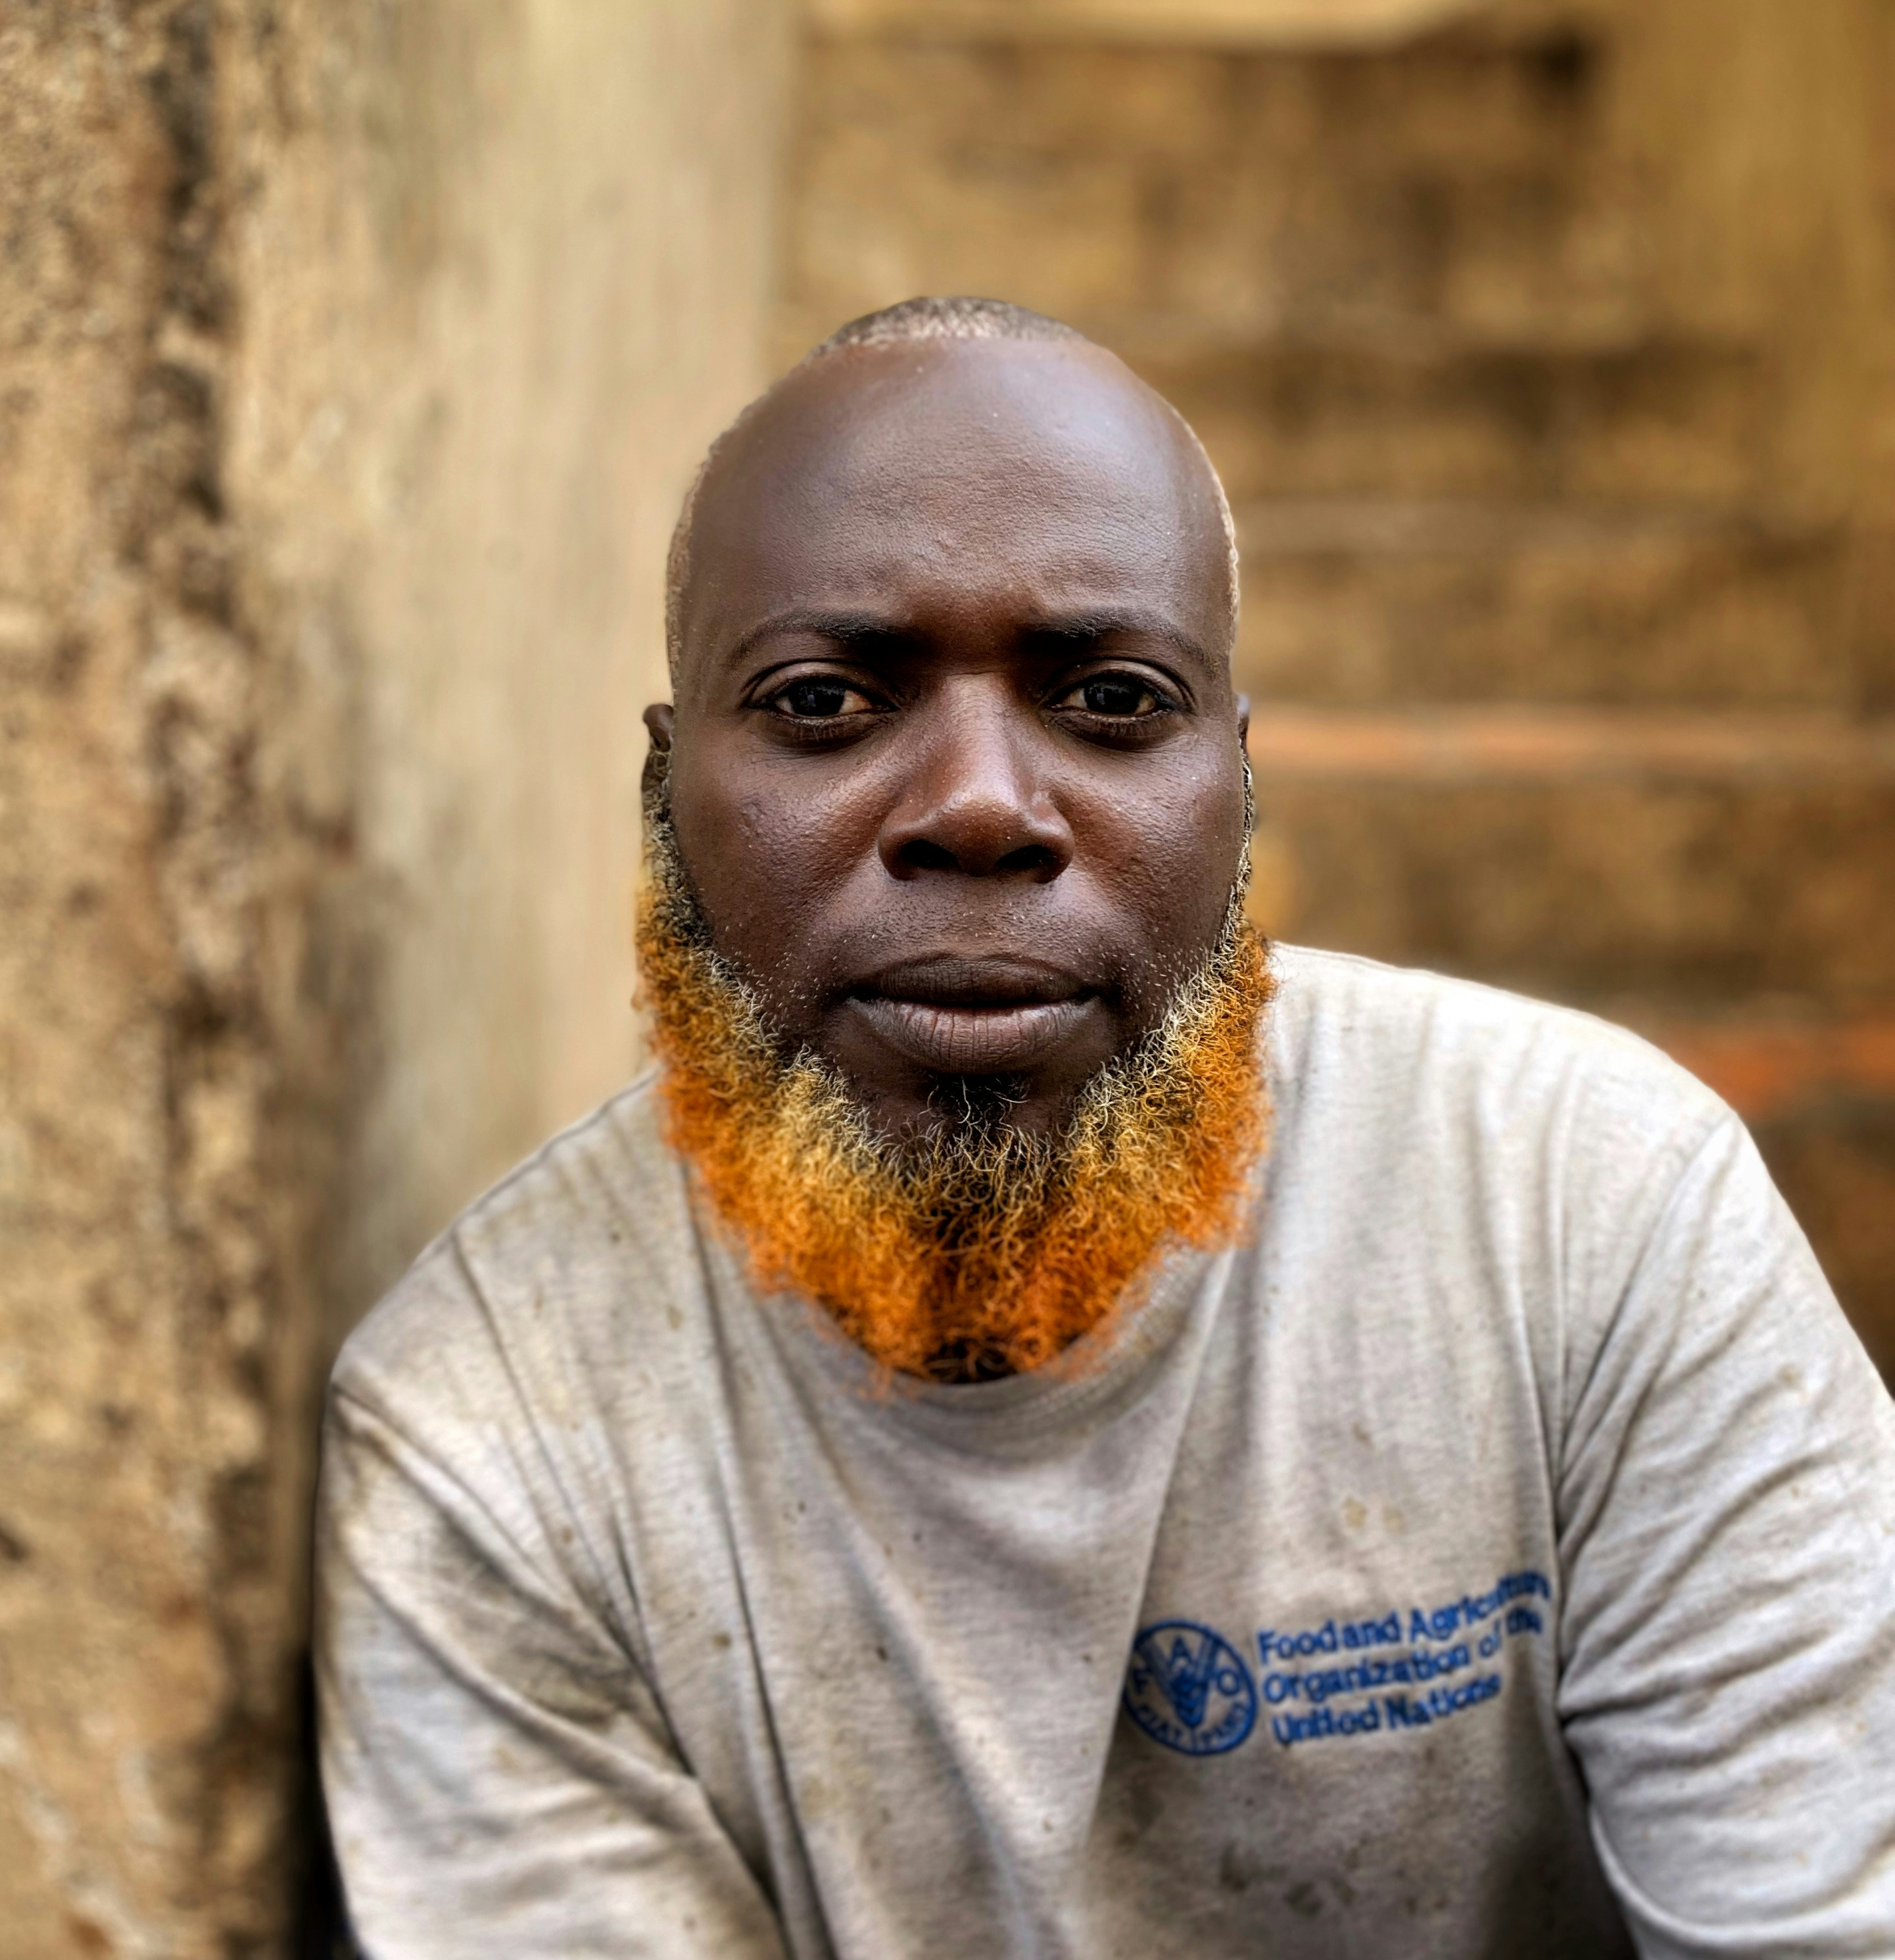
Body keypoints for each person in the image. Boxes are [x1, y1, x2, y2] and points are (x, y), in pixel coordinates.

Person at [316, 298, 1895, 1959]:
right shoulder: (486, 1441)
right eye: (825, 701)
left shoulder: (1593, 1213)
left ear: (1238, 791)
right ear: (666, 800)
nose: (983, 805)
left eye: (1115, 698)